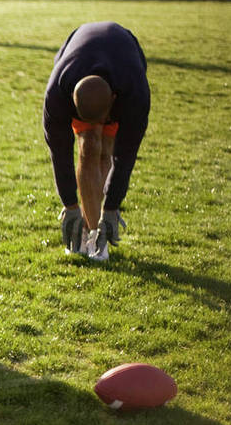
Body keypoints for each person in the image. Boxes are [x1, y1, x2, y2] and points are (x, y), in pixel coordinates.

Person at [43, 21, 151, 261]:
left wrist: (112, 207)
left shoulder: (135, 94)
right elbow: (59, 153)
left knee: (107, 150)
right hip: (75, 57)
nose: (99, 124)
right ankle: (90, 233)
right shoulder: (57, 95)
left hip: (124, 56)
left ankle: (99, 230)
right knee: (89, 145)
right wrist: (70, 205)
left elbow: (124, 158)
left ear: (114, 100)